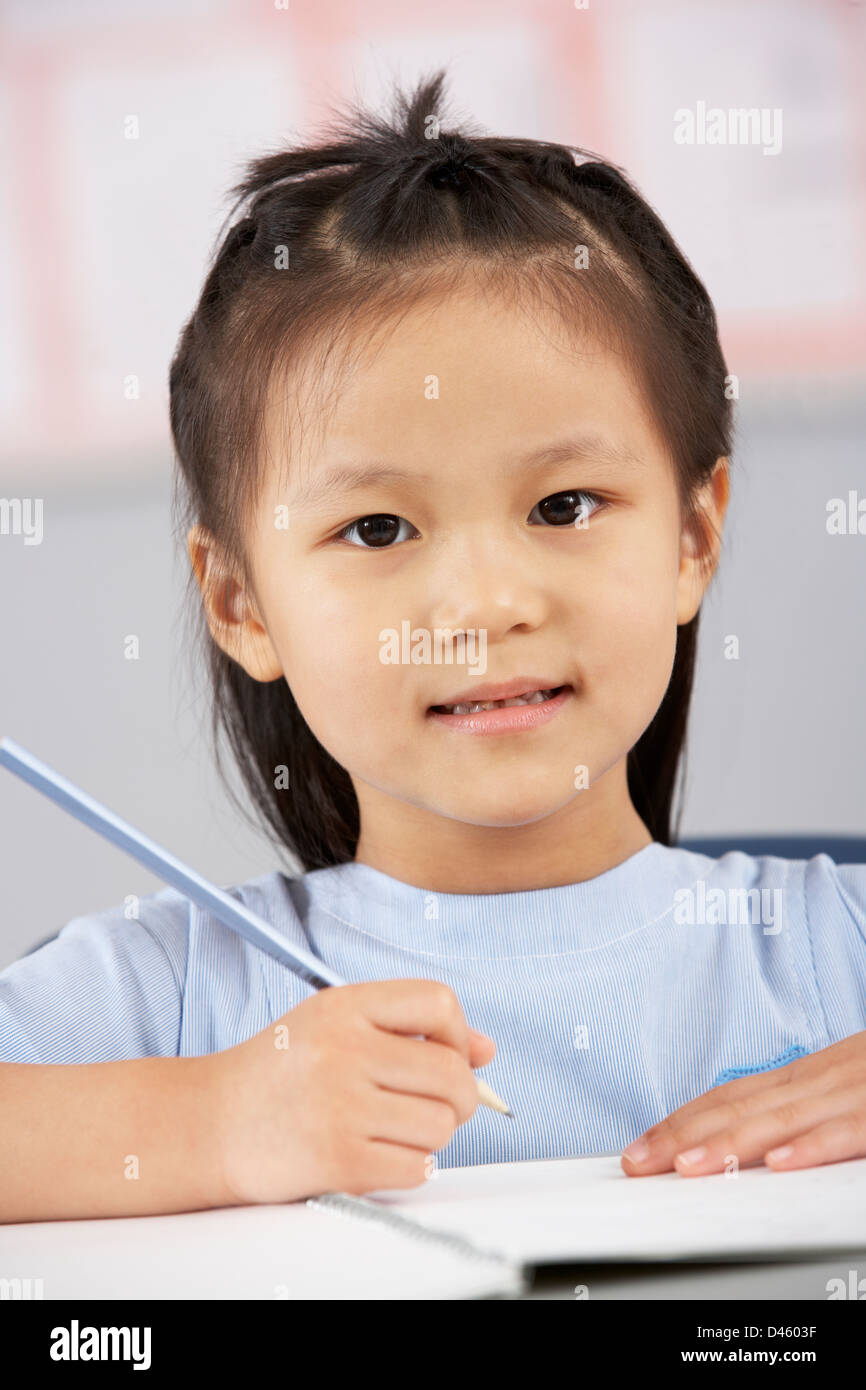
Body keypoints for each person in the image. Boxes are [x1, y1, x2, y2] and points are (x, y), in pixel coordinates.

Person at [1, 70, 864, 1223]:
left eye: (562, 506)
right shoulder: (170, 990)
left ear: (691, 536)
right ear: (243, 602)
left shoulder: (830, 945)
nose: (481, 604)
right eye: (376, 528)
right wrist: (212, 1119)